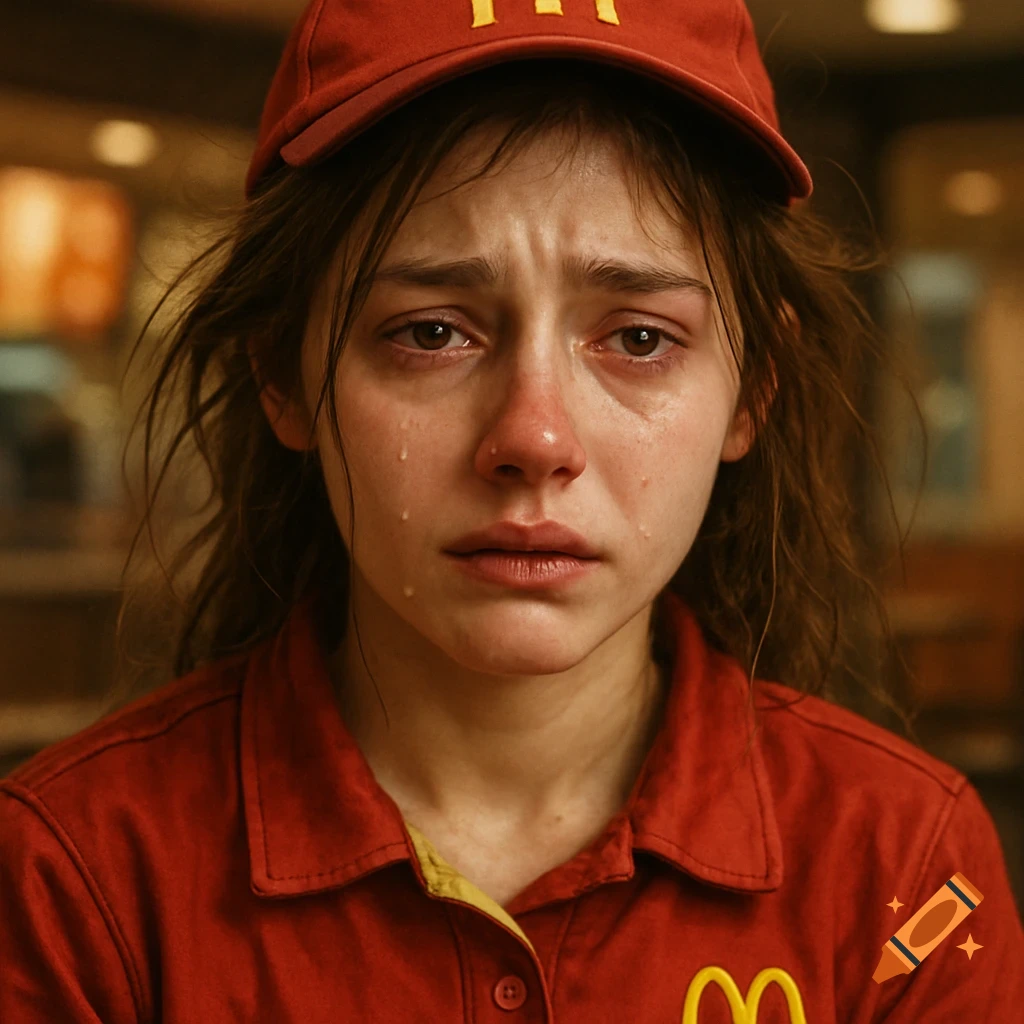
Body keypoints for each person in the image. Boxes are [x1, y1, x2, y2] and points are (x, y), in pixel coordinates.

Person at [2, 0, 1022, 1021]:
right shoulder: (77, 876)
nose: (535, 439)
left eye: (637, 339)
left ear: (753, 386)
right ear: (282, 370)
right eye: (433, 330)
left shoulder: (904, 872)